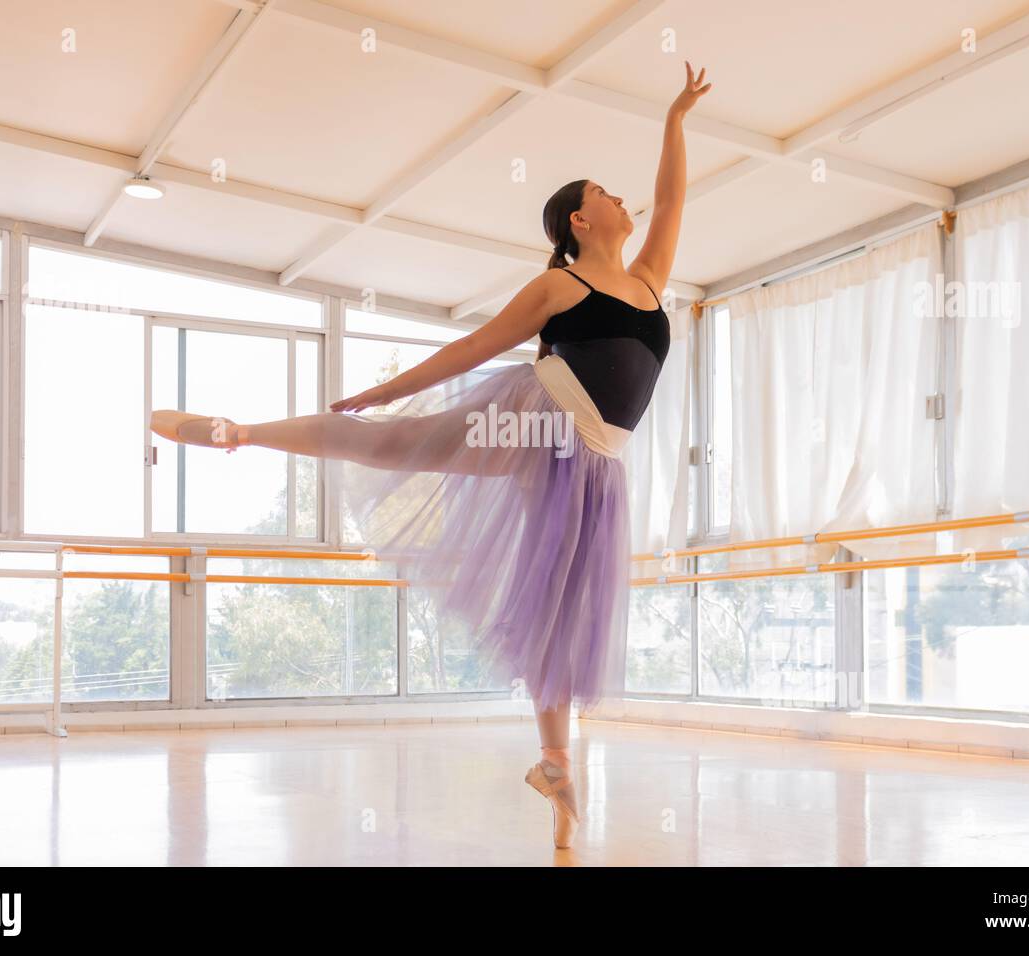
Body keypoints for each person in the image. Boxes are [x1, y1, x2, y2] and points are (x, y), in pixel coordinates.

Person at [151, 63, 711, 849]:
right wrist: (387, 390)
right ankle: (239, 432)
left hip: (599, 464)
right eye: (604, 193)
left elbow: (677, 199)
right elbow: (475, 346)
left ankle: (554, 760)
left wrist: (676, 120)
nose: (622, 199)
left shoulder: (651, 280)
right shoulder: (559, 289)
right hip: (538, 422)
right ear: (579, 222)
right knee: (391, 442)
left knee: (560, 606)